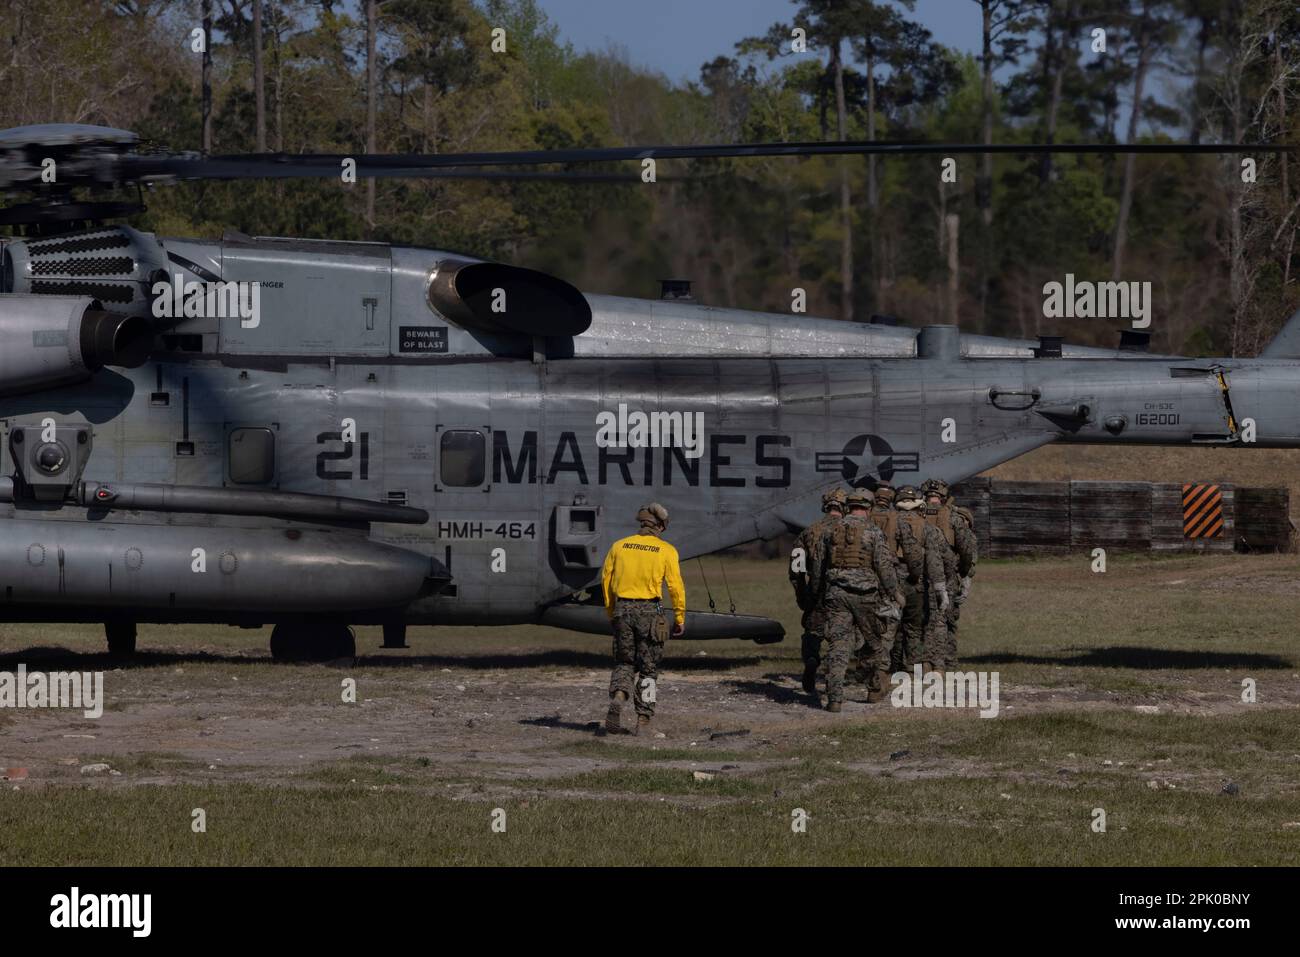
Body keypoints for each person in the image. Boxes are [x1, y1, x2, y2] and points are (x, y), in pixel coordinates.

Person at [810, 489, 900, 711]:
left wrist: (817, 593)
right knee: (873, 643)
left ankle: (834, 698)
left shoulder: (830, 531)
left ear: (847, 507)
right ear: (868, 508)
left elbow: (818, 566)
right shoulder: (873, 532)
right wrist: (894, 592)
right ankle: (873, 688)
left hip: (836, 595)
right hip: (865, 596)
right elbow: (884, 566)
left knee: (838, 645)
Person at [600, 503, 685, 735]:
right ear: (660, 525)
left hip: (622, 610)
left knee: (624, 661)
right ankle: (643, 719)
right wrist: (679, 616)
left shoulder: (619, 546)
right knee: (649, 668)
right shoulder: (666, 550)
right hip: (650, 612)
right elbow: (675, 586)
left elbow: (606, 580)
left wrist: (611, 612)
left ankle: (619, 696)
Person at [789, 488, 847, 696]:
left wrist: (802, 596)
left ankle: (812, 659)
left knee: (813, 634)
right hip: (843, 593)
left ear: (826, 506)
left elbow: (796, 570)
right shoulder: (850, 531)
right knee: (840, 637)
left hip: (816, 593)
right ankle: (835, 678)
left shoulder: (809, 532)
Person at [920, 479, 978, 671]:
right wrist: (964, 572)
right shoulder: (953, 517)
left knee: (919, 620)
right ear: (944, 496)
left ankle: (921, 664)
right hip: (946, 574)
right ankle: (943, 664)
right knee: (944, 620)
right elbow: (966, 549)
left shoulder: (915, 515)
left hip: (918, 574)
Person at [881, 484, 928, 674]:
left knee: (889, 627)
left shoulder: (887, 520)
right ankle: (912, 668)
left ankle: (882, 668)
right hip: (914, 579)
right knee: (913, 627)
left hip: (891, 577)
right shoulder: (924, 524)